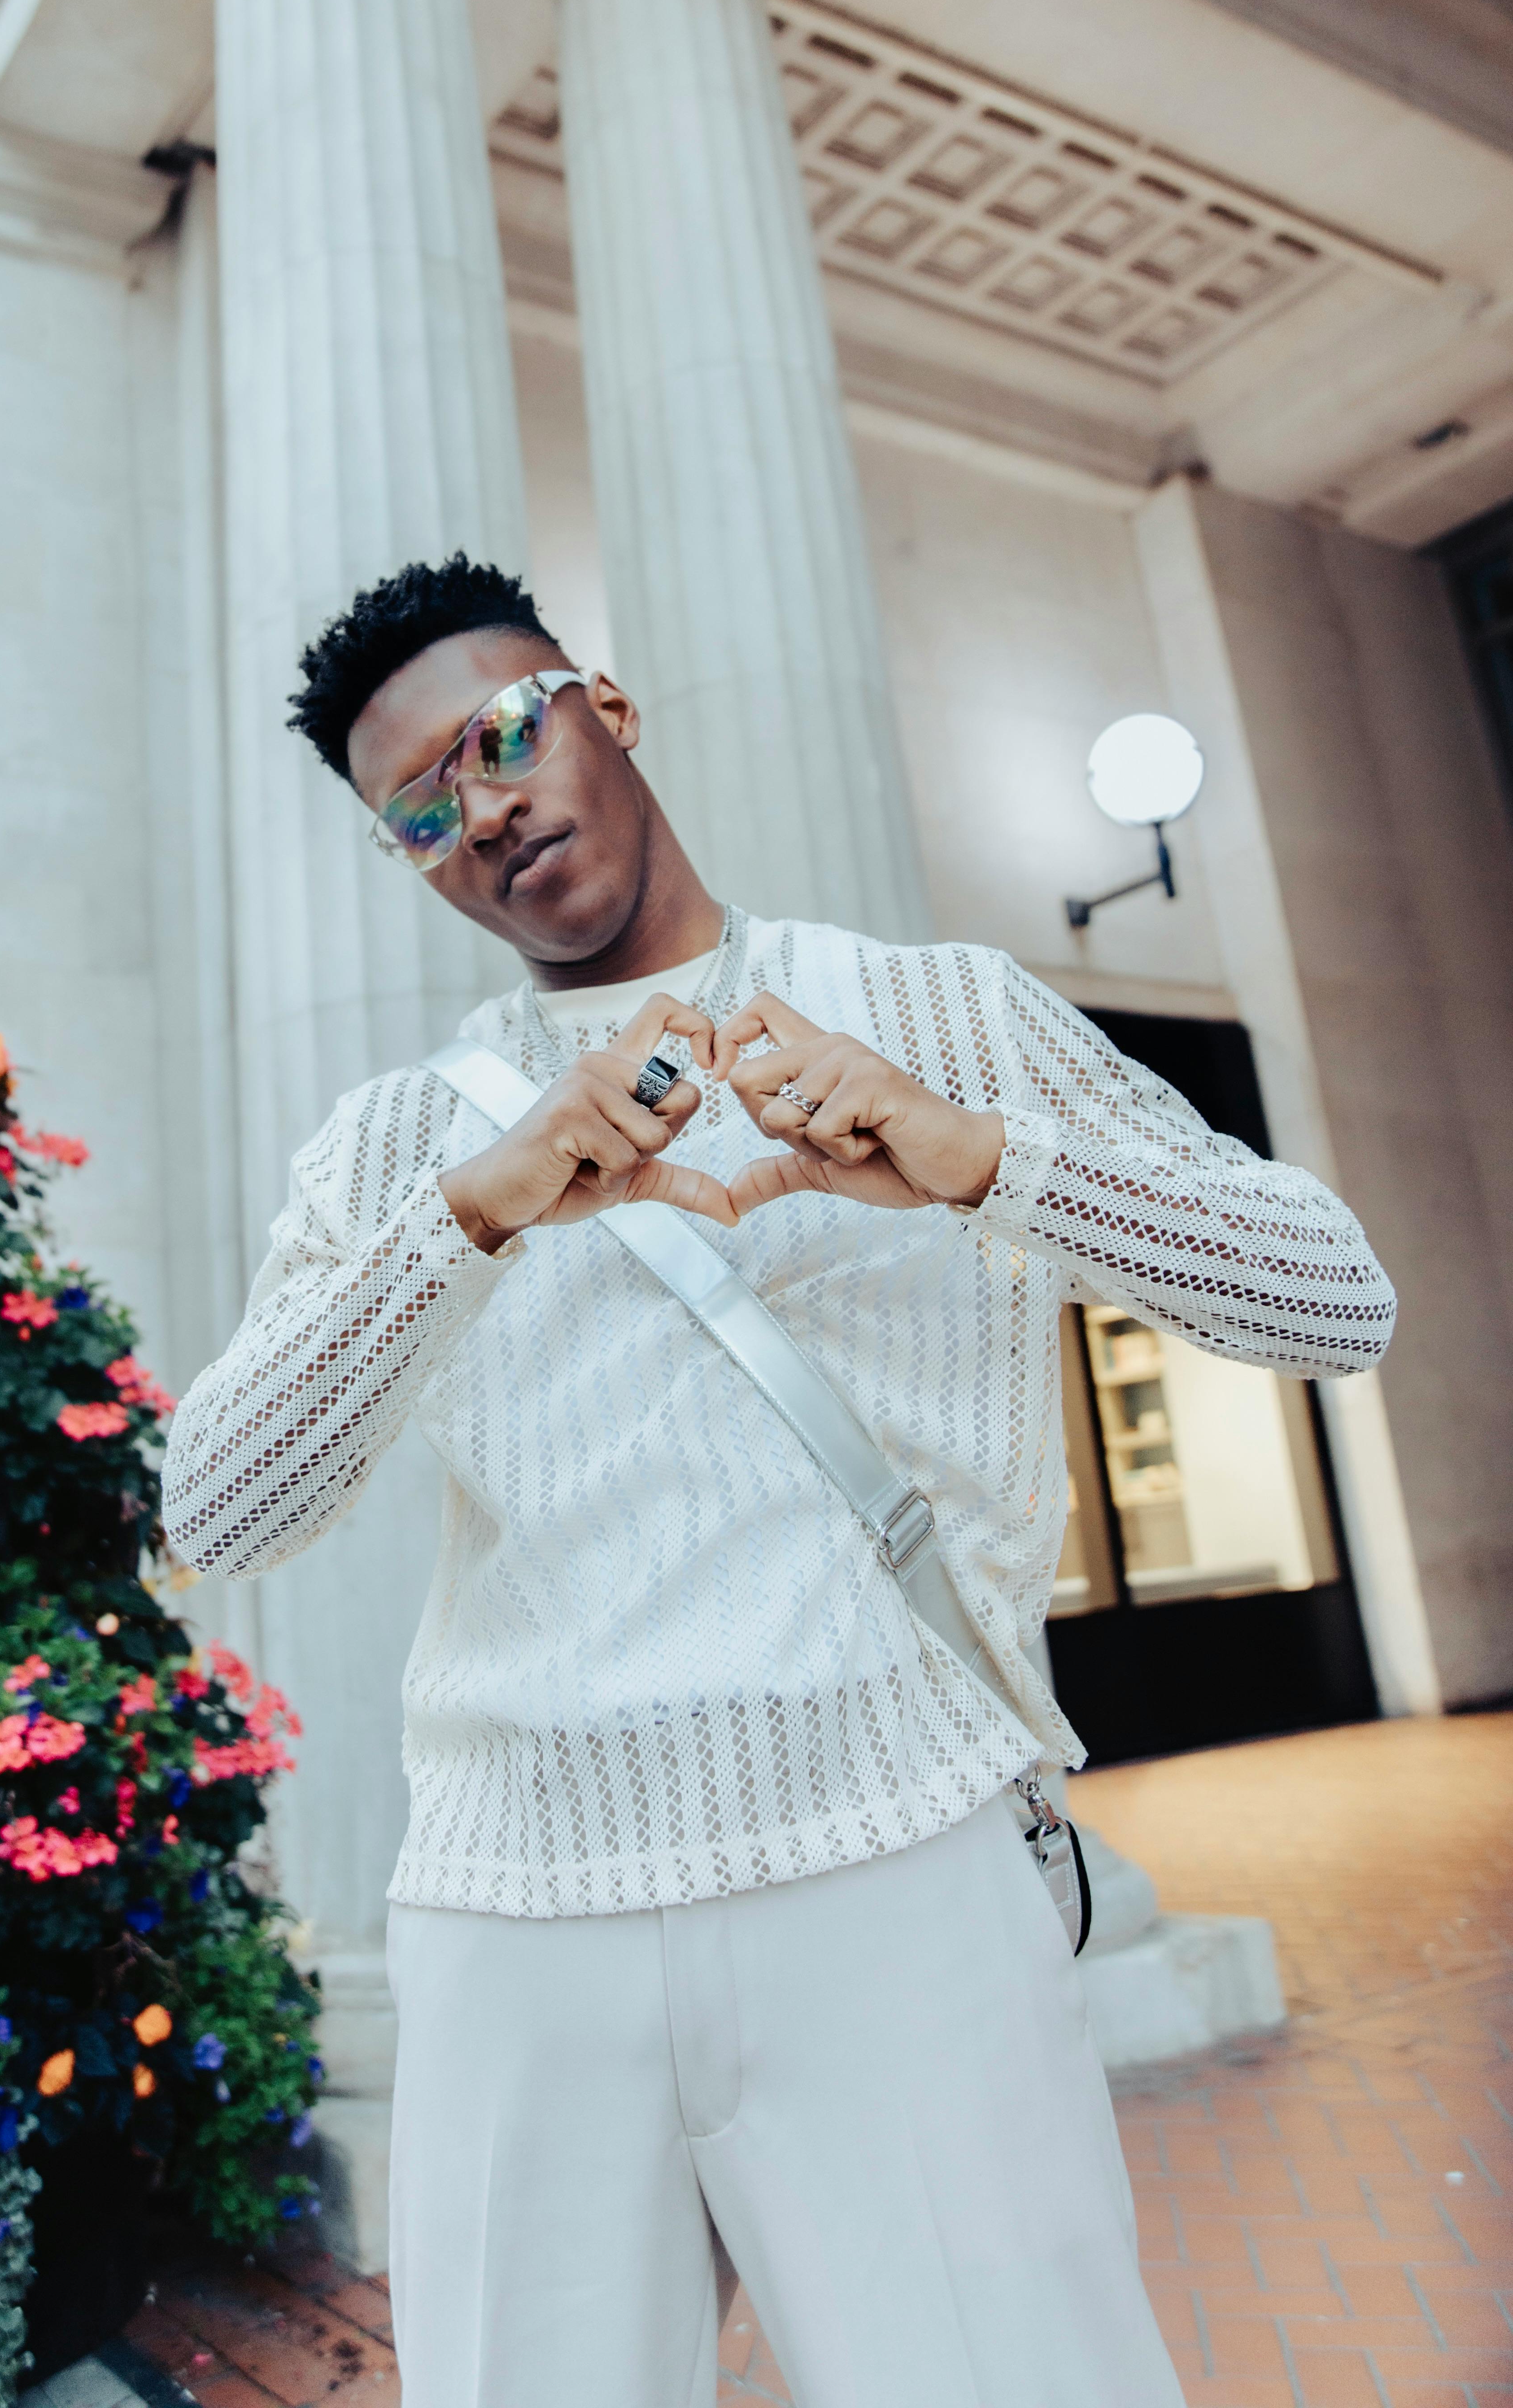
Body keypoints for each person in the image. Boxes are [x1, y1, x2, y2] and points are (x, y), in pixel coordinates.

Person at [161, 554, 1395, 2408]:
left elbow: (1333, 1299)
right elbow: (220, 1512)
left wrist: (983, 1162)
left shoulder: (930, 1010)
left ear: (609, 710)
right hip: (519, 1923)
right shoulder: (403, 1144)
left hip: (894, 1874)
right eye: (418, 811)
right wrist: (478, 1218)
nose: (482, 813)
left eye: (503, 738)